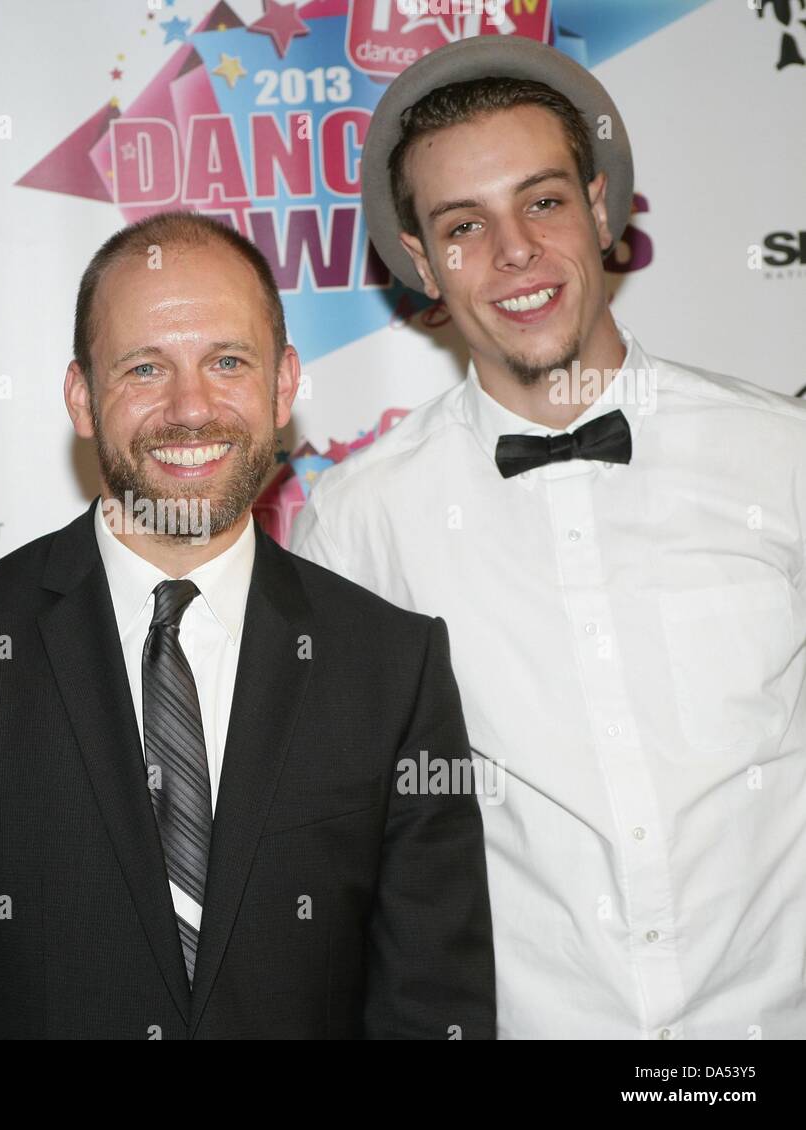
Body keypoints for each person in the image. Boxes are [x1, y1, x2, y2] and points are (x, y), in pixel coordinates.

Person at [0, 212, 496, 1039]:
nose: (191, 409)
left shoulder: (391, 666)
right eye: (145, 367)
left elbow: (433, 1007)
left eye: (227, 361)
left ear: (284, 386)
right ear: (81, 397)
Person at [291, 36, 806, 1039]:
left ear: (602, 209)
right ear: (420, 264)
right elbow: (332, 843)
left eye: (542, 200)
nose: (513, 251)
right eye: (462, 225)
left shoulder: (781, 457)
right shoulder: (357, 524)